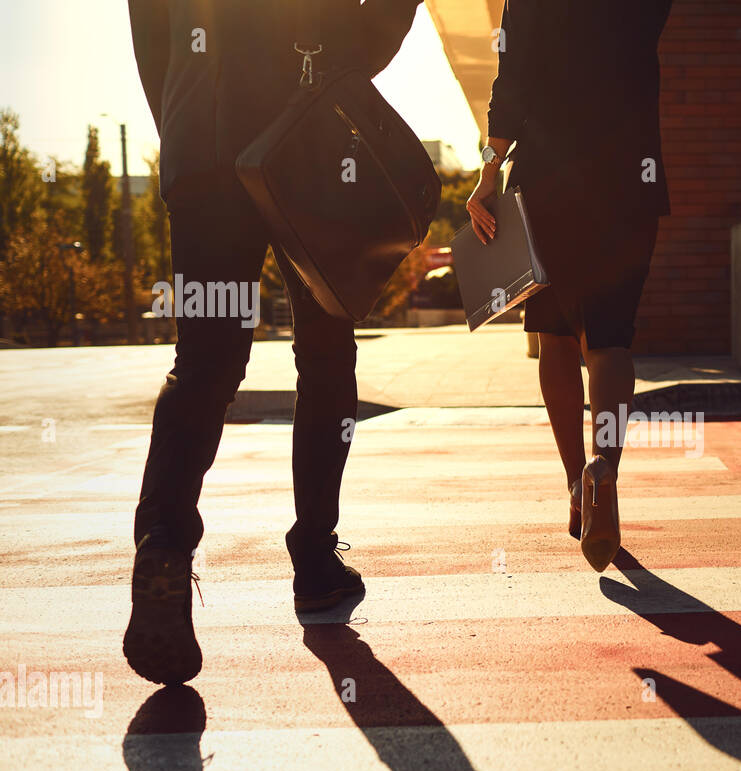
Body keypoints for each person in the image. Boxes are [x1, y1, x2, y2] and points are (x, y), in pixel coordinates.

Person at [123, 0, 423, 685]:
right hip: (310, 141)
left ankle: (165, 543)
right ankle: (315, 561)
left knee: (205, 358)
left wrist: (184, 114)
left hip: (203, 146)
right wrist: (345, 58)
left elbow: (149, 29)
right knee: (325, 352)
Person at [467, 0, 673, 572]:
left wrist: (489, 171)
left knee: (554, 337)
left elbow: (511, 83)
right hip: (629, 177)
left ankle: (575, 487)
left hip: (546, 181)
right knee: (609, 341)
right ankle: (603, 468)